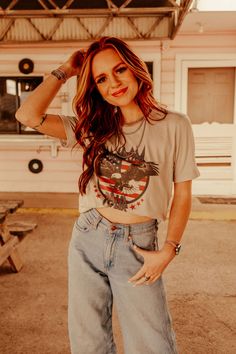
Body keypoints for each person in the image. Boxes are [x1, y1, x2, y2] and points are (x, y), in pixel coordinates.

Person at [16, 36, 200, 354]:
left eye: (119, 70)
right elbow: (28, 116)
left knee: (152, 343)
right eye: (101, 79)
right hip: (88, 236)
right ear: (95, 88)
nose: (113, 83)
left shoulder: (174, 125)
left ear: (135, 69)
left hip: (139, 244)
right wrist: (66, 70)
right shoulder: (92, 128)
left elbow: (182, 193)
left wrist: (169, 249)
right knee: (89, 343)